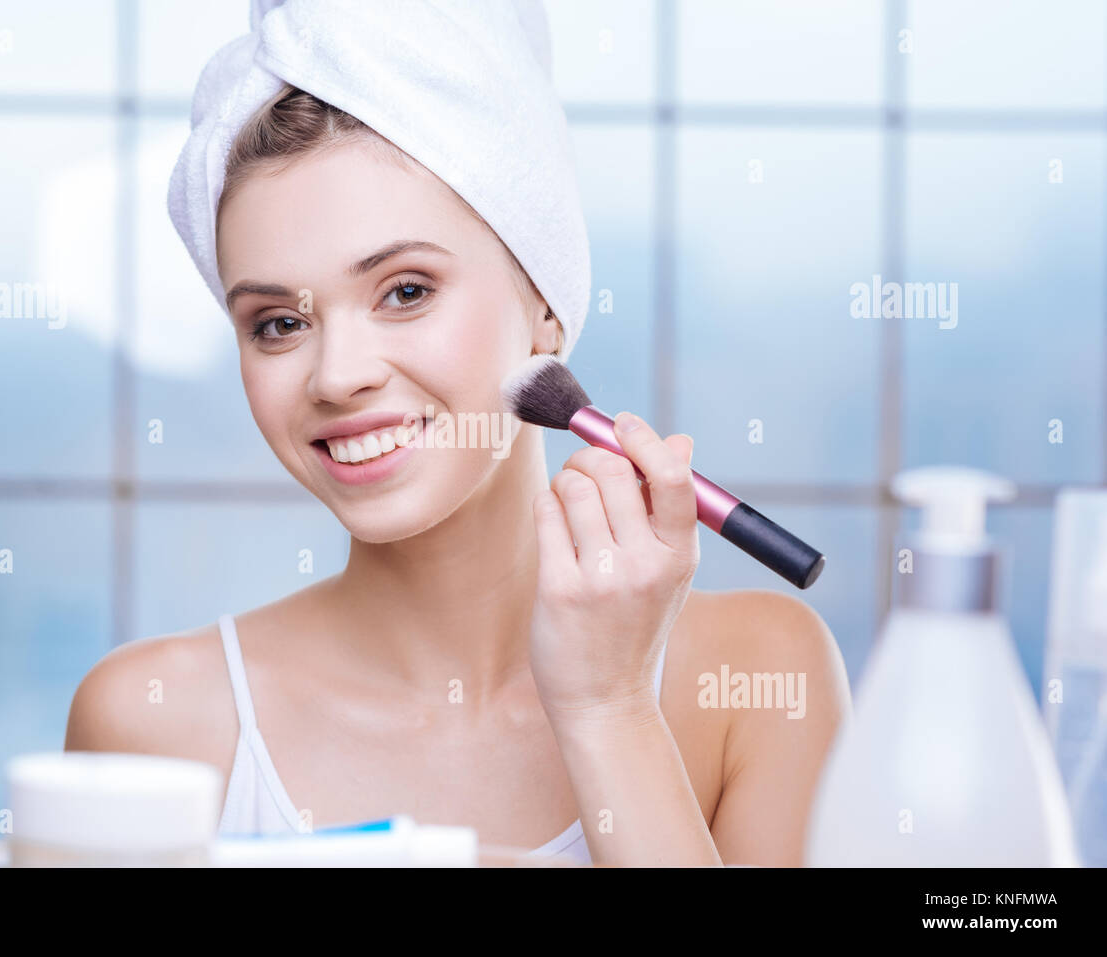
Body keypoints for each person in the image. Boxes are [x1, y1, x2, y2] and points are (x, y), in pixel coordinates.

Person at [67, 11, 851, 867]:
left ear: (544, 304)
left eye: (405, 291)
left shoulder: (762, 679)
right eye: (279, 322)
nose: (337, 376)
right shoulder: (152, 719)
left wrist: (609, 706)